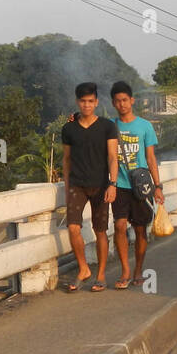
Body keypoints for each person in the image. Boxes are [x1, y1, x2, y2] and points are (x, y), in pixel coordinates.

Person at [61, 82, 118, 292]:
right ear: (78, 102)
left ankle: (101, 275)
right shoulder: (69, 128)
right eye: (83, 101)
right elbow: (66, 159)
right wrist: (67, 187)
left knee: (100, 231)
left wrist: (113, 183)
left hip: (102, 184)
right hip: (77, 184)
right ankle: (84, 269)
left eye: (90, 101)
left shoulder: (107, 126)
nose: (86, 105)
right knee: (73, 228)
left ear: (96, 102)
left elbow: (113, 157)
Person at [109, 81, 161, 290]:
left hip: (141, 187)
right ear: (113, 103)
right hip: (119, 185)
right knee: (119, 226)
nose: (122, 104)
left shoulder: (145, 126)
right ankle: (125, 270)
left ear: (132, 101)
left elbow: (150, 158)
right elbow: (110, 155)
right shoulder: (110, 127)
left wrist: (158, 186)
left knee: (141, 231)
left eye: (125, 100)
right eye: (117, 101)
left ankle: (138, 269)